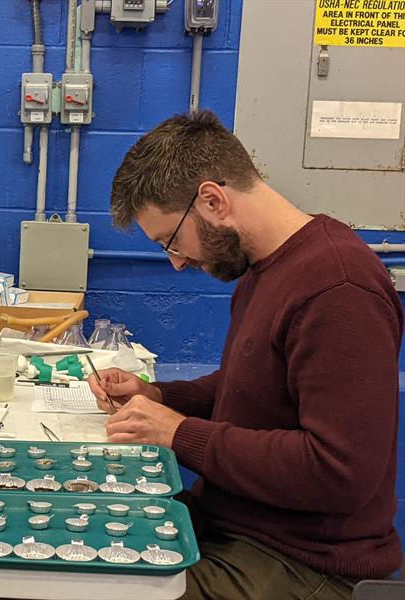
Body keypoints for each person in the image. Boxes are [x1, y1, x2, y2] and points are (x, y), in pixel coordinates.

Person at [88, 110, 403, 599]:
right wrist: (158, 396)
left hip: (300, 562)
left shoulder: (339, 288)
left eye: (171, 241)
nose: (177, 262)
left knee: (98, 591)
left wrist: (177, 432)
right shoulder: (265, 269)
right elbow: (252, 384)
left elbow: (338, 472)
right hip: (233, 527)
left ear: (213, 200)